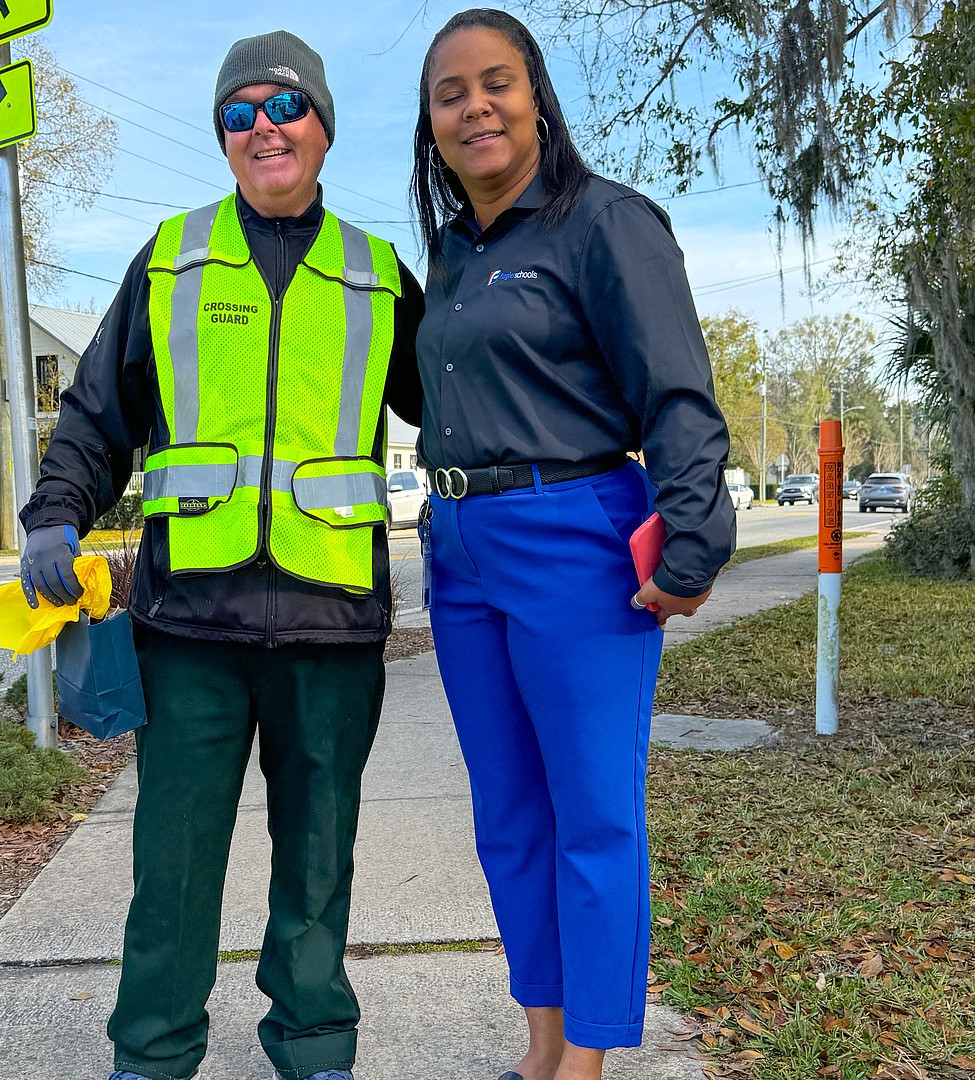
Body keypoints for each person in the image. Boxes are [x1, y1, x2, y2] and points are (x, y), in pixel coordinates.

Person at [16, 29, 424, 1080]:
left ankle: (315, 1046)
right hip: (188, 629)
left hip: (331, 626)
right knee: (174, 866)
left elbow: (471, 411)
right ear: (225, 140)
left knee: (318, 861)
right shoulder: (174, 256)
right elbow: (99, 415)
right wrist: (55, 511)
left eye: (284, 109)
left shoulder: (380, 276)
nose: (263, 130)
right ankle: (150, 1056)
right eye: (238, 115)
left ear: (324, 129)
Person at [407, 10, 735, 1080]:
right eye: (451, 93)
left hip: (572, 540)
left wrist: (692, 543)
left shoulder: (604, 224)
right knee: (509, 818)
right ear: (432, 125)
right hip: (459, 553)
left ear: (537, 95)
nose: (475, 106)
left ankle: (588, 1064)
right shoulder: (455, 253)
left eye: (495, 83)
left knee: (592, 816)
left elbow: (678, 394)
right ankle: (541, 1046)